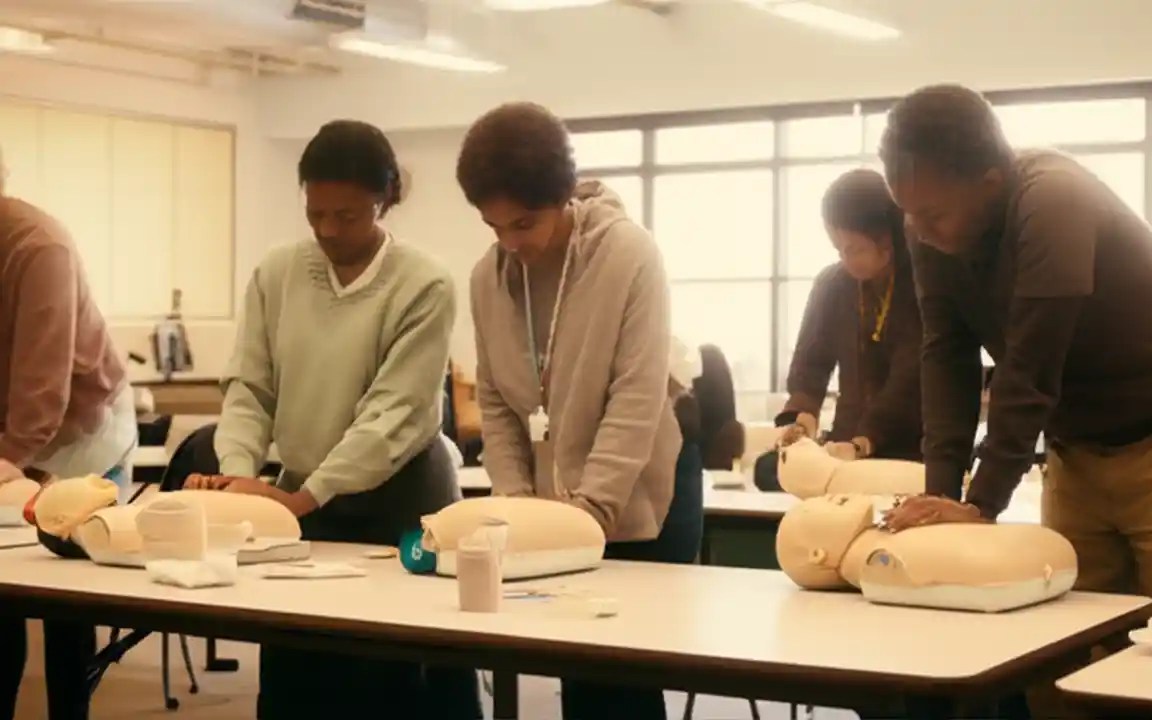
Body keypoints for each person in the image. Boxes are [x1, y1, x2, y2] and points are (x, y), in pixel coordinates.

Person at [880, 85, 1152, 620]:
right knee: (1069, 652)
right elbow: (945, 357)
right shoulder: (930, 230)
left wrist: (980, 505)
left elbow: (1031, 366)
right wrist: (939, 500)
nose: (917, 231)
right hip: (1078, 457)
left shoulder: (1054, 199)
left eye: (932, 215)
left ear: (990, 183)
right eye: (906, 213)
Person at [185, 120, 481, 719]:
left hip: (398, 498)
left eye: (347, 216)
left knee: (395, 684)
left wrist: (303, 497)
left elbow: (392, 414)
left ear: (386, 198)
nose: (327, 231)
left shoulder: (424, 283)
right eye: (315, 213)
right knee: (301, 676)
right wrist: (237, 481)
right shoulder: (278, 272)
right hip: (298, 500)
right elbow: (250, 385)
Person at [457, 102, 702, 720]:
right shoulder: (490, 278)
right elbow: (496, 401)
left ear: (564, 196)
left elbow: (636, 393)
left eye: (524, 224)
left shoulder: (627, 253)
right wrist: (514, 506)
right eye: (495, 228)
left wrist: (591, 511)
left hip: (644, 497)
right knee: (573, 671)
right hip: (551, 505)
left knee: (617, 684)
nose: (512, 244)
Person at [0, 146, 137, 720]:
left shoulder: (40, 248)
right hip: (15, 430)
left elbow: (43, 392)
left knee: (65, 602)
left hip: (82, 430)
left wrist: (5, 462)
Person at [755, 169, 922, 492]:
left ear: (888, 241)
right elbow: (810, 363)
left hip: (909, 450)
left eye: (855, 248)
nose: (846, 259)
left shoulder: (919, 288)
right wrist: (803, 416)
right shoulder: (833, 284)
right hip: (845, 446)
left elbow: (908, 381)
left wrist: (865, 441)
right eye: (838, 249)